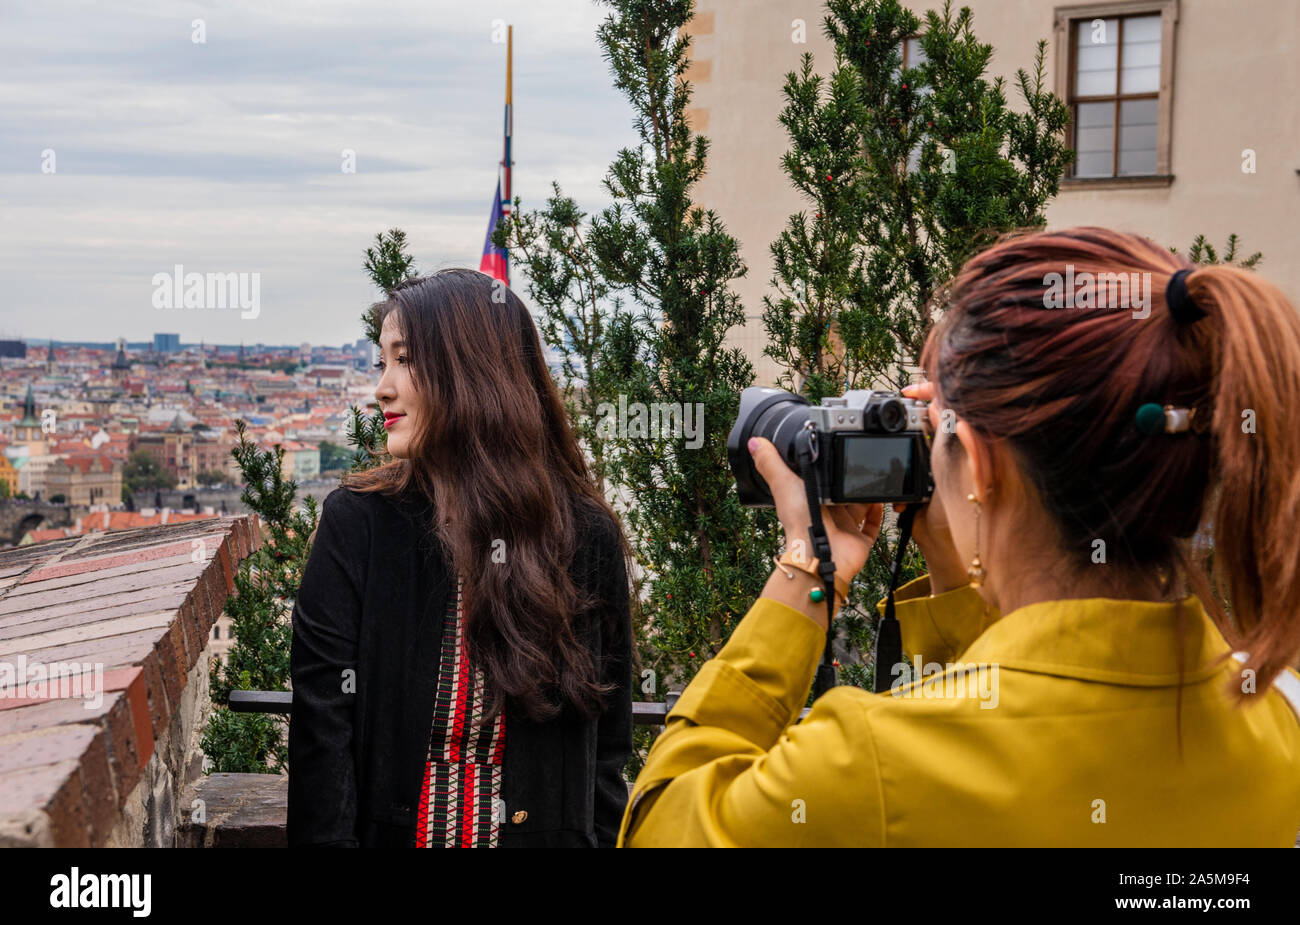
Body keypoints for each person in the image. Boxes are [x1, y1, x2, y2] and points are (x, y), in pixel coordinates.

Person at [618, 226, 1300, 847]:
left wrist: (805, 566)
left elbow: (662, 822)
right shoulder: (1282, 714)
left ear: (976, 462)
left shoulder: (871, 763)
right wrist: (953, 567)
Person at [288, 268, 634, 847]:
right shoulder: (359, 524)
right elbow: (324, 735)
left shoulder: (583, 536)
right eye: (383, 363)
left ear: (472, 372)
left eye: (407, 359)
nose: (383, 387)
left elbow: (607, 748)